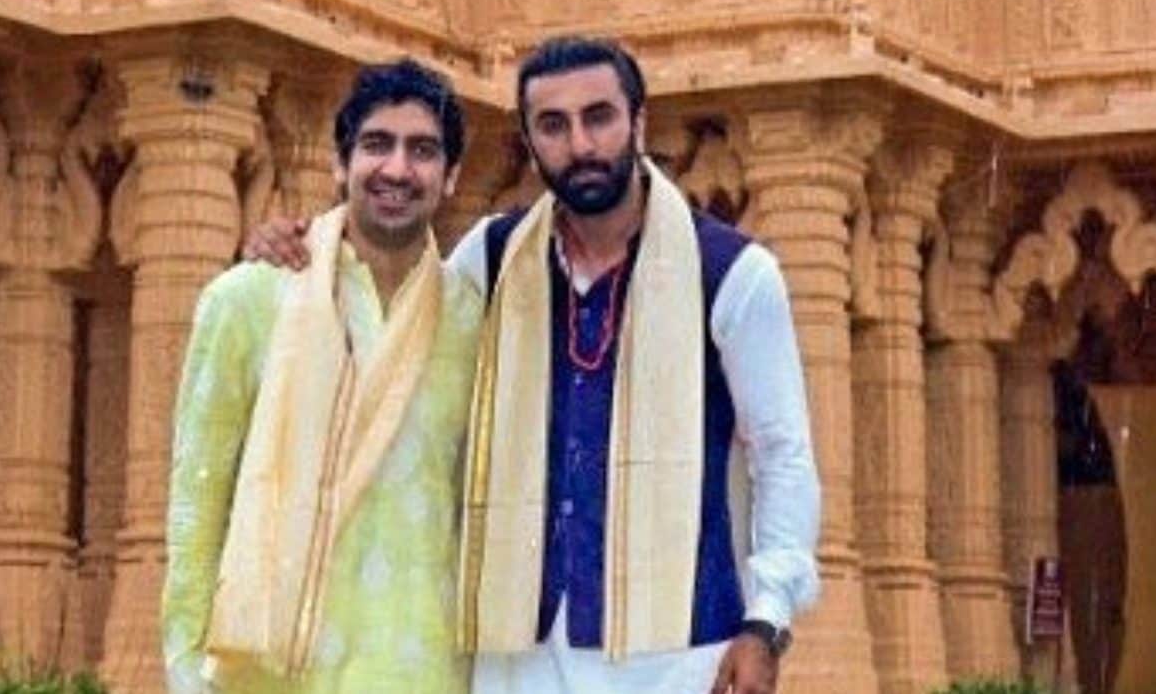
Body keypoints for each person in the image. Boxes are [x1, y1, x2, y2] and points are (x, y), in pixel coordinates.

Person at [244, 37, 821, 694]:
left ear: (638, 121)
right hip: (515, 651)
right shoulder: (491, 257)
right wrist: (304, 248)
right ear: (528, 139)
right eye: (553, 125)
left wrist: (767, 622)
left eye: (598, 117)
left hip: (677, 651)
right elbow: (387, 312)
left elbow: (783, 453)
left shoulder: (733, 274)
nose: (580, 145)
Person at [161, 59, 483, 694]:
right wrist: (188, 670)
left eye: (422, 151)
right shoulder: (251, 300)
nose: (396, 169)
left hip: (427, 671)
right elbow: (197, 502)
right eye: (375, 145)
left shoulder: (477, 321)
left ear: (451, 178)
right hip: (275, 677)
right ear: (340, 165)